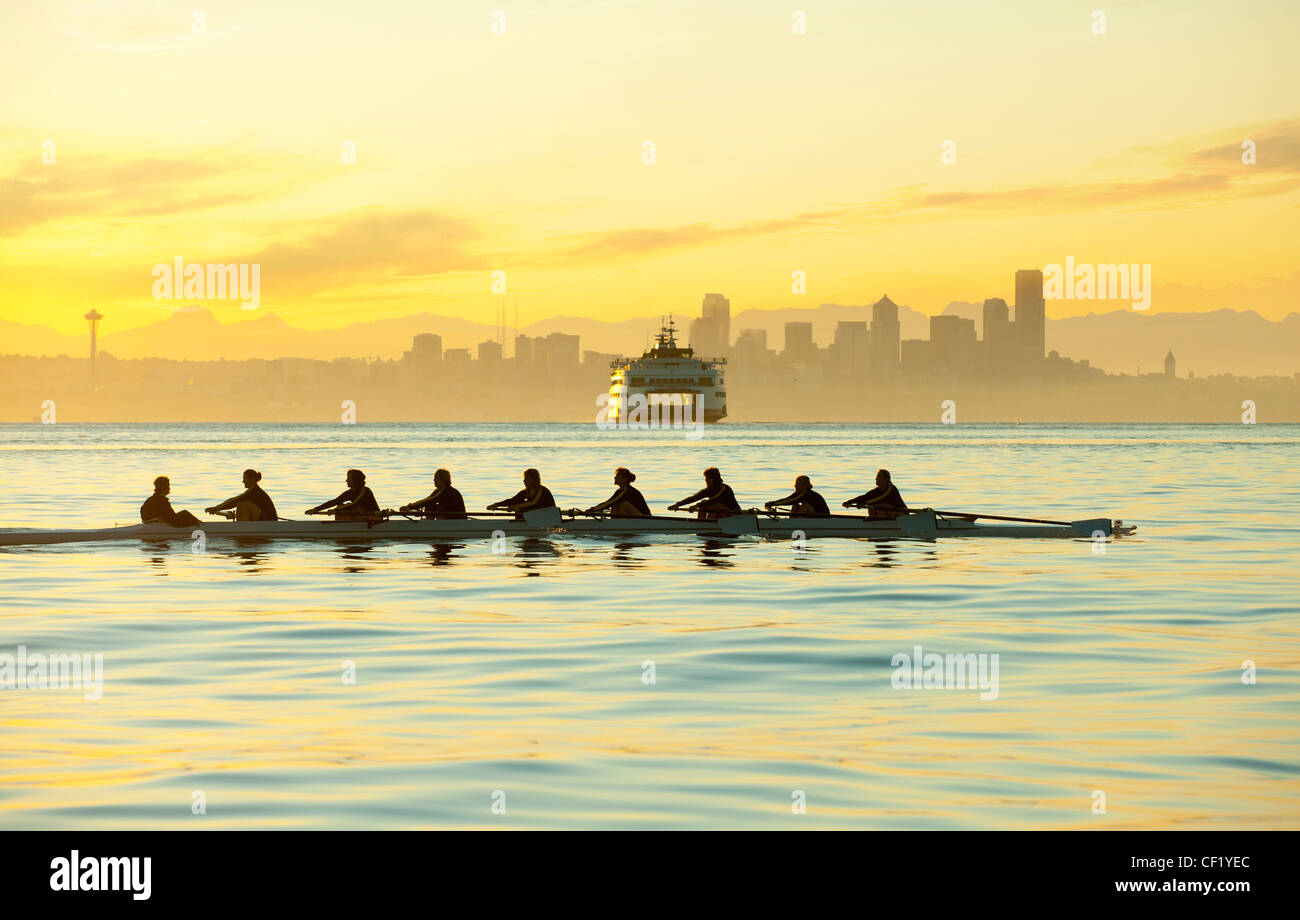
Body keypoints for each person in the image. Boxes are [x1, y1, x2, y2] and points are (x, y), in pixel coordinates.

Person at [668, 467, 742, 519]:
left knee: (712, 505)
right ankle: (701, 524)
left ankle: (709, 525)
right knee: (704, 504)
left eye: (707, 479)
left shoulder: (725, 489)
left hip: (734, 515)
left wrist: (696, 506)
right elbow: (694, 498)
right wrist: (677, 504)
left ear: (714, 479)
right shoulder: (708, 490)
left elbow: (714, 500)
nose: (706, 481)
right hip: (721, 514)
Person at [205, 469, 278, 521]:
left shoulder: (255, 492)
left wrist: (216, 508)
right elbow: (234, 500)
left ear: (252, 480)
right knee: (240, 503)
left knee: (242, 503)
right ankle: (241, 526)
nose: (243, 481)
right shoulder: (252, 491)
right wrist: (217, 508)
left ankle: (241, 527)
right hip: (264, 519)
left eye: (245, 479)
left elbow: (234, 501)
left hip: (269, 521)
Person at [305, 469, 380, 518]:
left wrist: (336, 510)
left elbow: (354, 505)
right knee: (340, 505)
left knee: (344, 508)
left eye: (348, 478)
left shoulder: (365, 491)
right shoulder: (350, 492)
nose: (346, 480)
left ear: (355, 480)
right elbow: (334, 501)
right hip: (361, 518)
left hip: (374, 517)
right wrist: (316, 509)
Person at [401, 468, 467, 519]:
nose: (434, 480)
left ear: (443, 480)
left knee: (430, 505)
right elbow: (426, 499)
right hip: (449, 517)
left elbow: (429, 501)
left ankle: (430, 525)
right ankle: (429, 524)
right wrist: (411, 507)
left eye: (436, 478)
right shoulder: (438, 490)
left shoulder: (447, 490)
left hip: (457, 520)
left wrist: (410, 507)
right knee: (430, 506)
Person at [487, 468, 556, 517]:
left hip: (548, 517)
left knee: (520, 509)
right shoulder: (526, 492)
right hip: (535, 517)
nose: (524, 481)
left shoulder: (543, 491)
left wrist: (515, 507)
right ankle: (518, 524)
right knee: (519, 505)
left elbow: (533, 504)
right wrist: (496, 505)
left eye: (526, 479)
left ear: (534, 479)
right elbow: (512, 500)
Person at [585, 468, 652, 518]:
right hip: (635, 518)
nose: (615, 477)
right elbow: (608, 502)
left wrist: (593, 510)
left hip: (645, 518)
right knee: (615, 505)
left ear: (624, 479)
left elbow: (609, 503)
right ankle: (614, 524)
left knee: (623, 504)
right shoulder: (619, 491)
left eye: (617, 476)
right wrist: (593, 509)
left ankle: (617, 524)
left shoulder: (627, 491)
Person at [843, 469, 909, 518]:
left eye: (879, 477)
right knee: (873, 507)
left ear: (886, 479)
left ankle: (881, 525)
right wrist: (851, 501)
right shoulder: (877, 491)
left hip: (902, 514)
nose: (876, 479)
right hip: (888, 515)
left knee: (881, 505)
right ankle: (874, 523)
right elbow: (865, 497)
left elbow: (881, 498)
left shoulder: (891, 489)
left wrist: (865, 503)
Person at [765, 475, 831, 516]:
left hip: (822, 518)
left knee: (804, 506)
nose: (795, 486)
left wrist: (773, 503)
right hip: (812, 517)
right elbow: (788, 499)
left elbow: (790, 501)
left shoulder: (808, 494)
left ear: (805, 485)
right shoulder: (799, 493)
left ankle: (796, 523)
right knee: (795, 506)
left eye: (798, 484)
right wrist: (773, 503)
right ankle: (793, 522)